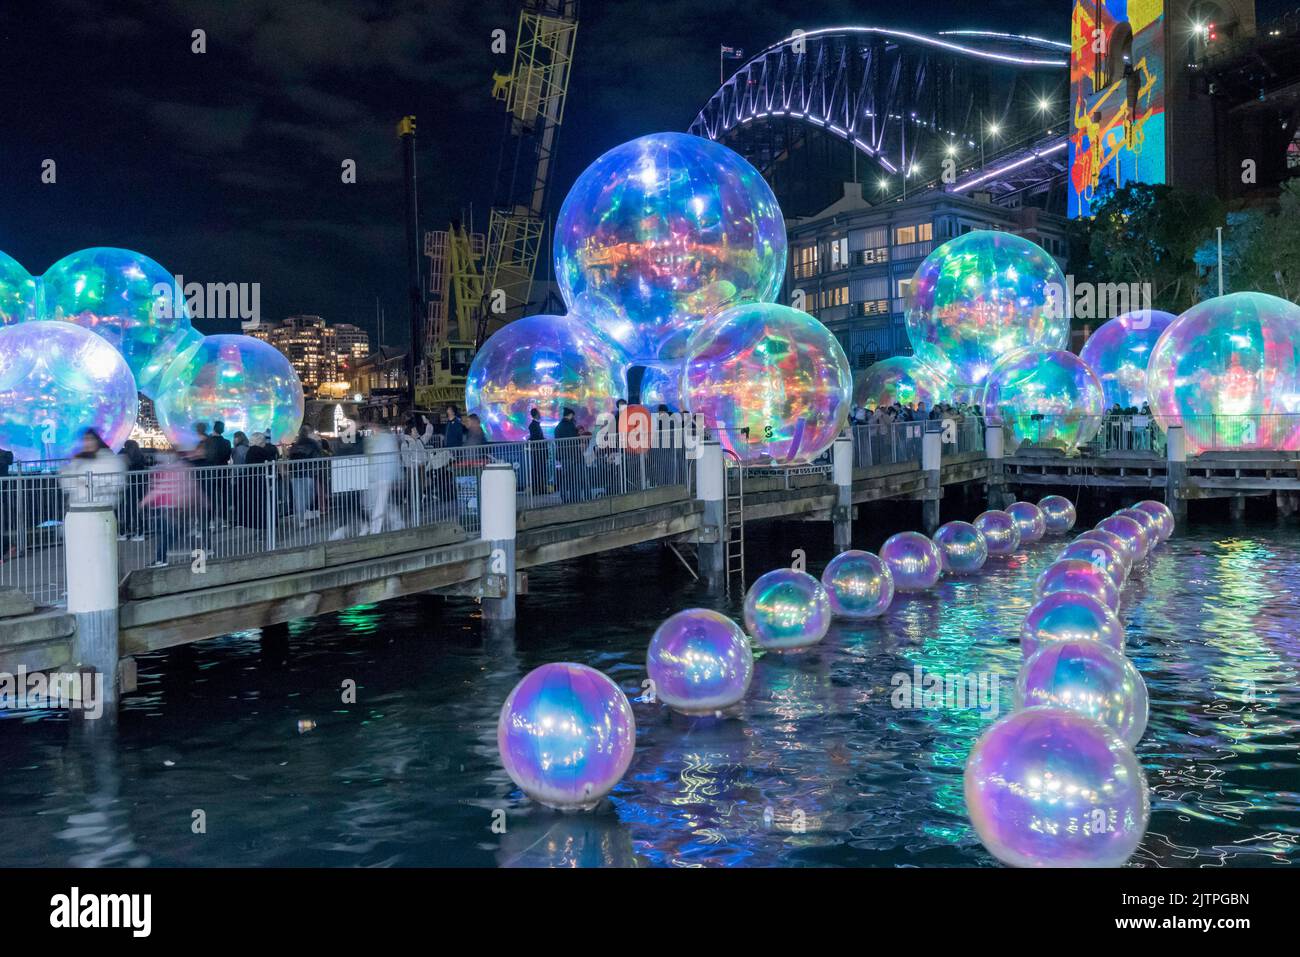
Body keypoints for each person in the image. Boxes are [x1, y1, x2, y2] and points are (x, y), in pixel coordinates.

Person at [138, 452, 205, 567]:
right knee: (183, 532)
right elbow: (193, 486)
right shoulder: (183, 467)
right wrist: (202, 501)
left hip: (169, 508)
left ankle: (161, 560)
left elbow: (159, 490)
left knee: (167, 534)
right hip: (182, 506)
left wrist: (144, 502)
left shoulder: (166, 471)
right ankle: (199, 559)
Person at [60, 429, 125, 509]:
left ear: (97, 441)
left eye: (90, 439)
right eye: (85, 439)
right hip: (79, 506)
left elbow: (114, 483)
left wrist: (86, 482)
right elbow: (68, 484)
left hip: (102, 506)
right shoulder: (78, 461)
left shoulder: (110, 459)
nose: (87, 443)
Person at [287, 426, 323, 528]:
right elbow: (318, 458)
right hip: (308, 473)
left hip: (295, 474)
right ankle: (303, 516)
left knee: (299, 497)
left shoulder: (295, 446)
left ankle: (301, 518)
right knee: (308, 496)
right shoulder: (313, 444)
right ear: (309, 433)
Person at [117, 439, 149, 540]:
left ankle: (127, 532)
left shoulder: (127, 459)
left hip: (129, 487)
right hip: (138, 487)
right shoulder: (141, 458)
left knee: (129, 509)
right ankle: (135, 531)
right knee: (132, 509)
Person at [554, 407, 580, 503]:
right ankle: (574, 499)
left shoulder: (558, 427)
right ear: (570, 415)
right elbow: (575, 440)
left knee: (564, 479)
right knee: (574, 479)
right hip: (572, 456)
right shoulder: (570, 426)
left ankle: (564, 499)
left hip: (562, 456)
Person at [527, 407, 548, 495]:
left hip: (538, 451)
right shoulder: (534, 425)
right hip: (538, 451)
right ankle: (539, 489)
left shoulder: (534, 425)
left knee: (538, 470)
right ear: (536, 414)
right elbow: (536, 437)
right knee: (539, 470)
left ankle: (539, 488)